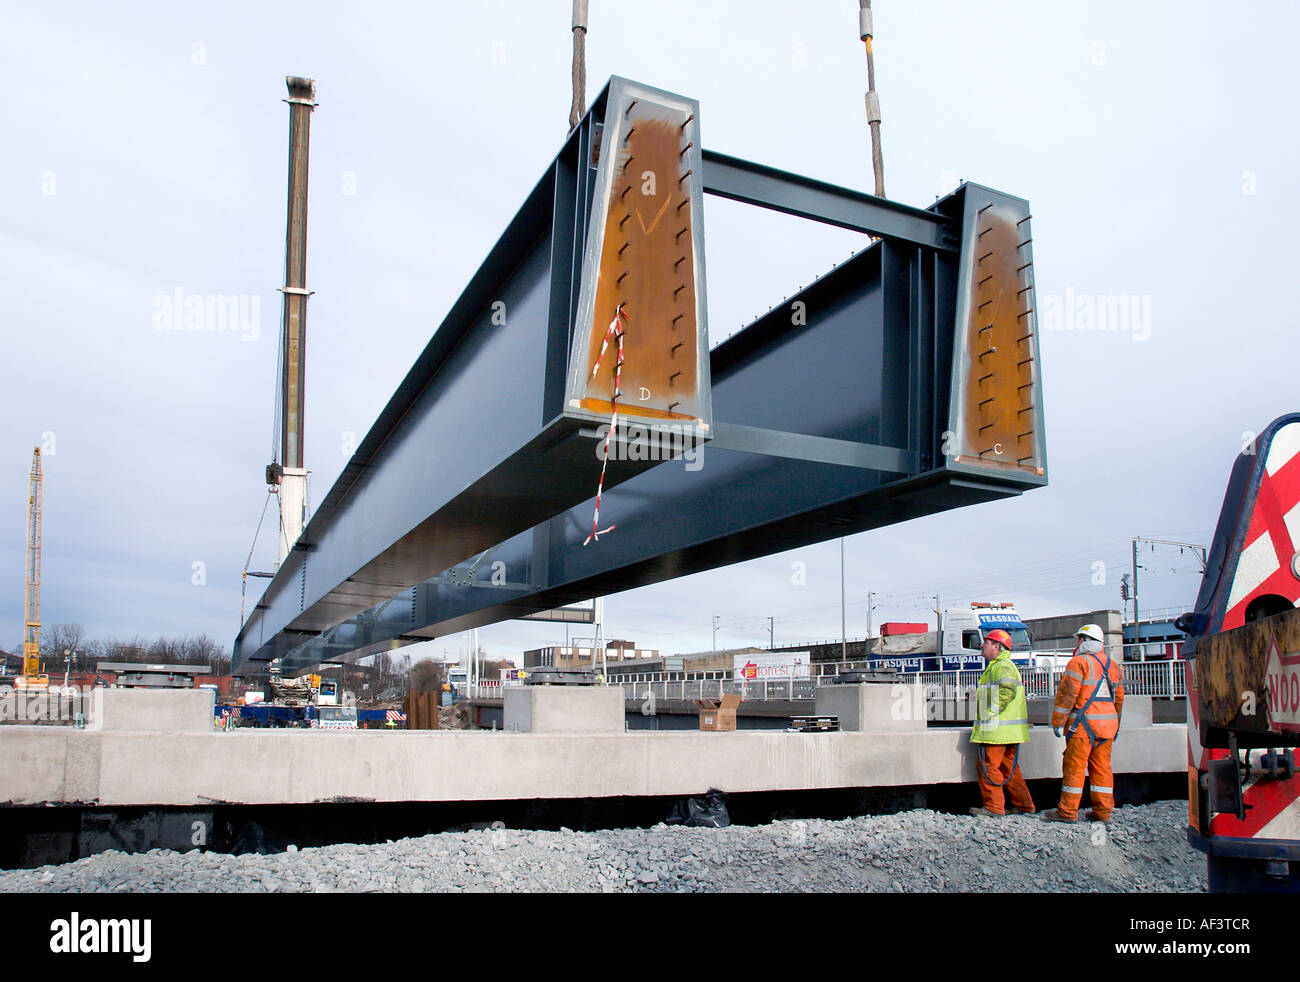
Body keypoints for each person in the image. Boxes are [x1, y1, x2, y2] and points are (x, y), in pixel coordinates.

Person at [1043, 623, 1125, 823]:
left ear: (1082, 641)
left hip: (1083, 726)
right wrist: (1116, 724)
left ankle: (1068, 812)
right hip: (1108, 726)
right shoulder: (1112, 665)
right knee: (1102, 768)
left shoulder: (1078, 663)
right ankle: (1103, 812)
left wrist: (1057, 721)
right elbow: (1119, 698)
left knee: (1075, 767)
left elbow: (1067, 695)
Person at [970, 629, 1035, 817]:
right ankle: (1025, 805)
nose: (982, 645)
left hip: (997, 731)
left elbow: (1007, 690)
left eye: (987, 642)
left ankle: (994, 807)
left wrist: (989, 712)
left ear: (996, 647)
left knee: (988, 767)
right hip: (1009, 731)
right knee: (1010, 769)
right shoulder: (1002, 665)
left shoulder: (1002, 666)